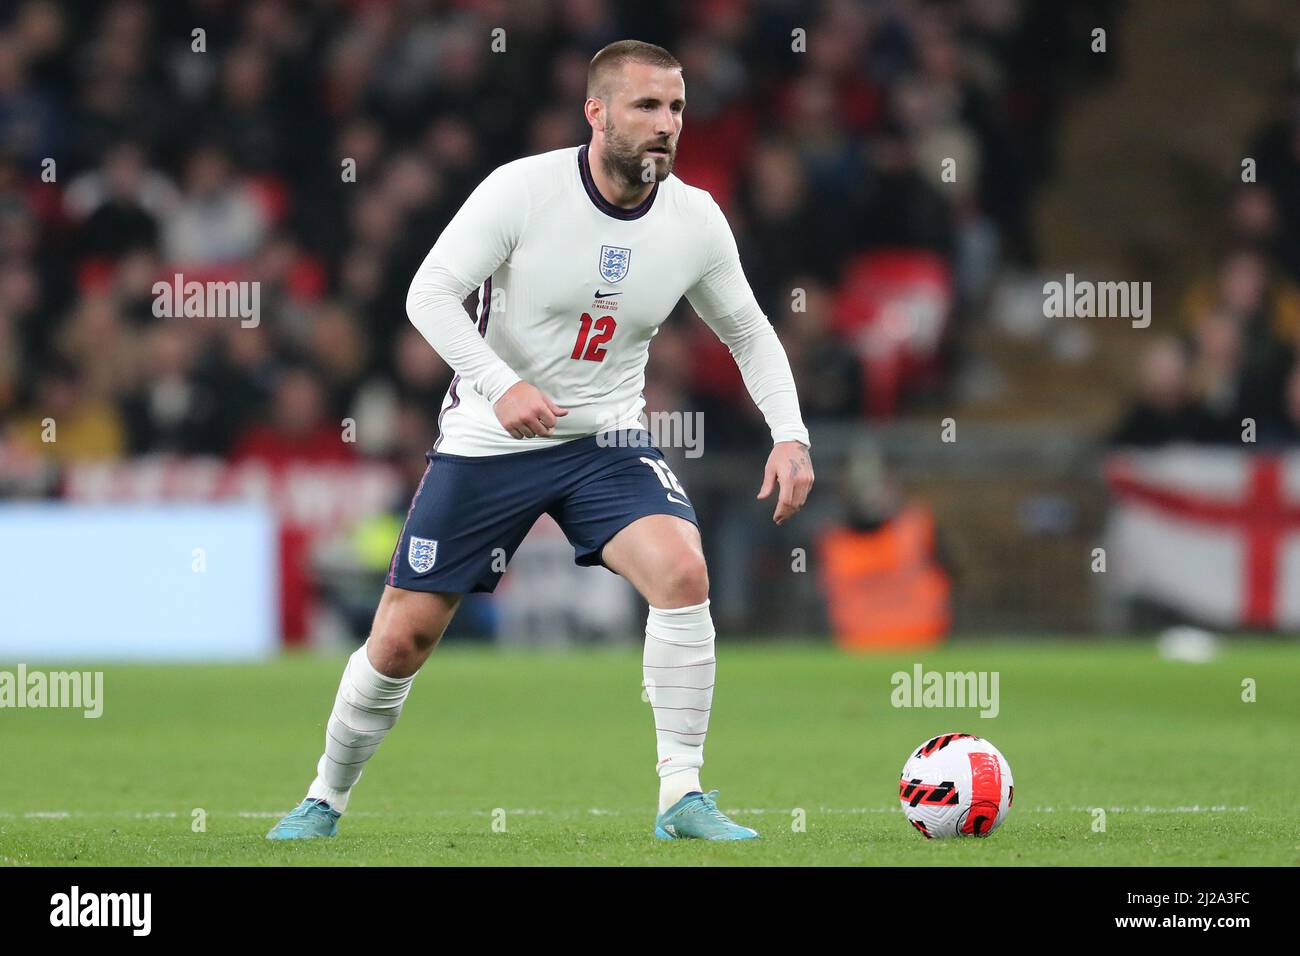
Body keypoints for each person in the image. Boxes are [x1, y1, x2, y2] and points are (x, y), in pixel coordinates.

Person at [267, 40, 813, 842]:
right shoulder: (522, 190)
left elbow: (749, 333)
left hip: (607, 438)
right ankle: (325, 795)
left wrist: (789, 435)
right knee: (403, 637)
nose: (666, 126)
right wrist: (501, 385)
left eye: (676, 109)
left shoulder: (695, 219)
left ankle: (682, 795)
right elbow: (430, 295)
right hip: (491, 439)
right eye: (646, 107)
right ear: (596, 113)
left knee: (682, 569)